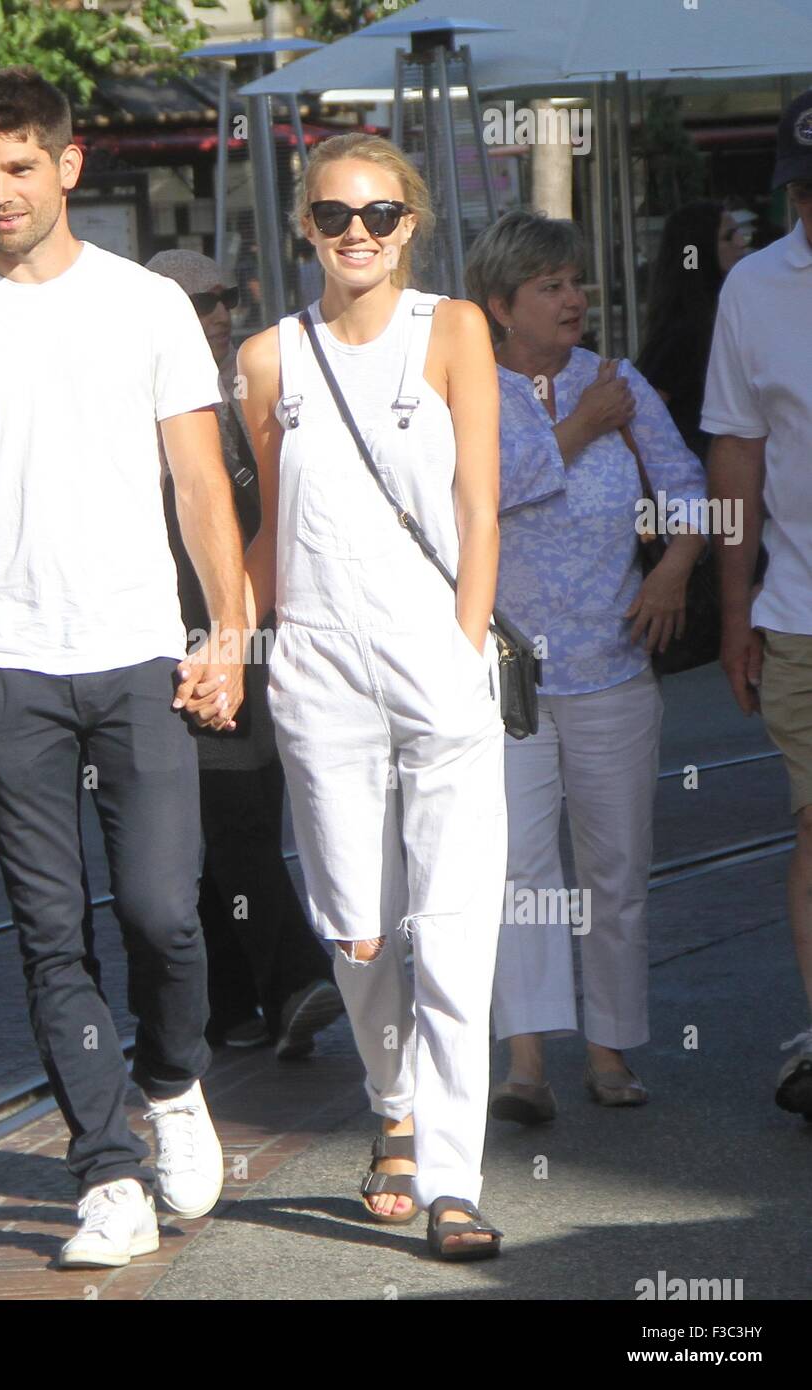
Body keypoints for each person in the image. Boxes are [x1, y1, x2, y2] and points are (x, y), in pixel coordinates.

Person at [0, 67, 245, 1270]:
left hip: (138, 653)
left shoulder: (145, 306)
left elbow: (198, 485)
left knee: (161, 913)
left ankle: (173, 1081)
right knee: (47, 935)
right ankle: (107, 1174)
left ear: (69, 166)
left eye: (21, 168)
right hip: (5, 671)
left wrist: (227, 630)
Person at [238, 132, 508, 1260]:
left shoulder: (453, 329)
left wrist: (459, 645)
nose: (357, 234)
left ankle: (451, 1173)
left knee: (450, 932)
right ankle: (390, 1103)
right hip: (317, 669)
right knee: (356, 930)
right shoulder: (264, 358)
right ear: (304, 225)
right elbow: (267, 531)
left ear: (412, 226)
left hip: (434, 657)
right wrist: (227, 644)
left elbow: (480, 508)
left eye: (380, 215)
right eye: (335, 215)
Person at [464, 211, 708, 1124]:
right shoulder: (470, 388)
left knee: (617, 870)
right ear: (500, 306)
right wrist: (575, 430)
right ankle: (526, 1061)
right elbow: (476, 498)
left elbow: (686, 487)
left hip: (612, 664)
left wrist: (672, 572)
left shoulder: (617, 381)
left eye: (576, 281)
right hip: (505, 678)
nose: (575, 299)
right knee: (519, 875)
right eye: (550, 287)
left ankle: (608, 1050)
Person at [146, 249, 343, 1058]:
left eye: (222, 295)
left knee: (248, 813)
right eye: (195, 303)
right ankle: (297, 979)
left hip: (267, 637)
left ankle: (228, 1005)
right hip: (186, 642)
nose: (216, 313)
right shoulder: (143, 408)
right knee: (235, 818)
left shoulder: (256, 389)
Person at [704, 88, 812, 1123]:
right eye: (805, 188)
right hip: (799, 610)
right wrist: (734, 616)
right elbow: (733, 458)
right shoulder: (753, 287)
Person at [636, 200, 749, 458]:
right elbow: (646, 414)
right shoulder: (687, 331)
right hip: (702, 471)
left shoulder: (731, 308)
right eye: (728, 236)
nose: (742, 242)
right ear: (701, 248)